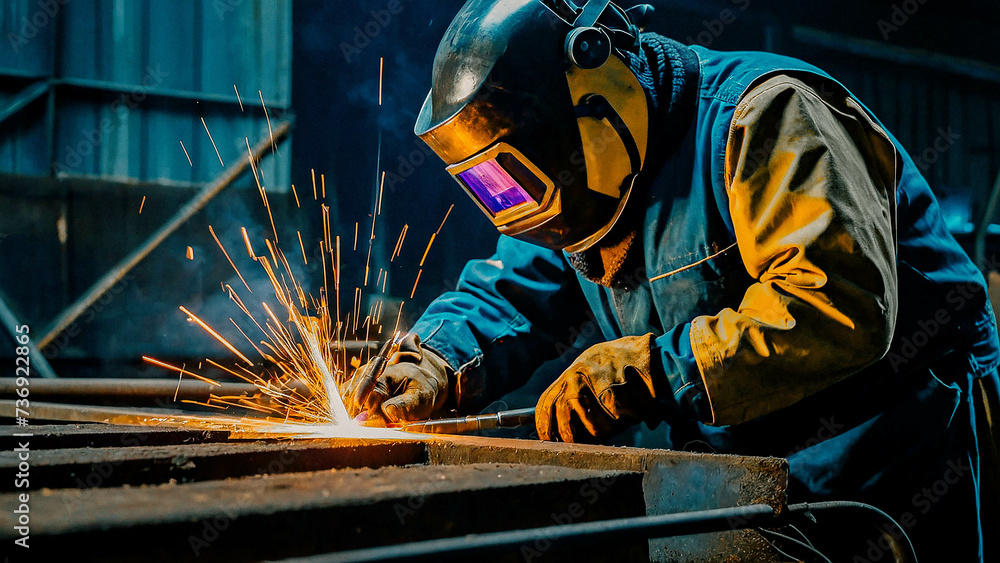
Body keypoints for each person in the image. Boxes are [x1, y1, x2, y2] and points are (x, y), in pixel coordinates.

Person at [341, 0, 1000, 559]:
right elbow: (515, 284)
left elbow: (836, 303)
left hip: (895, 448)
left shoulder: (766, 117)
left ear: (598, 83)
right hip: (751, 463)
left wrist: (653, 368)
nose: (548, 217)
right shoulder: (577, 192)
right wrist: (436, 357)